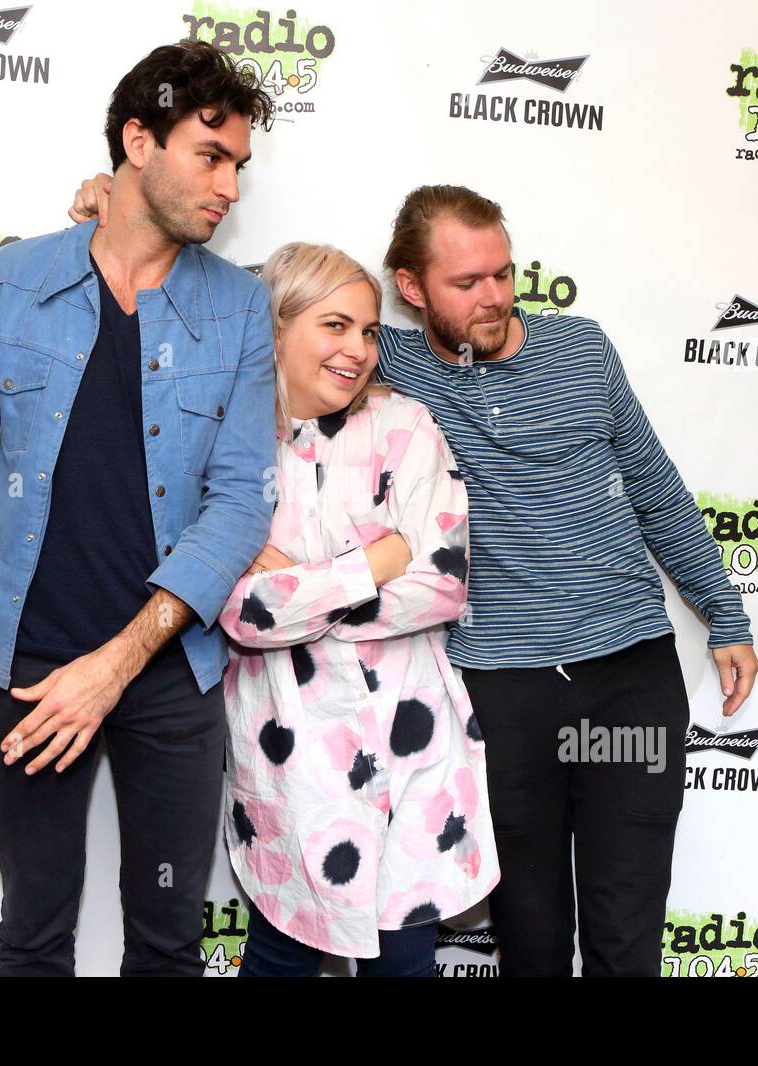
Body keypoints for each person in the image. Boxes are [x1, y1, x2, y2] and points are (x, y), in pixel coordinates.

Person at [68, 179, 758, 977]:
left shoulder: (582, 350)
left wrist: (725, 611)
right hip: (504, 687)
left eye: (503, 273)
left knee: (627, 927)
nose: (492, 298)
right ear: (412, 290)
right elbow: (273, 293)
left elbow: (653, 486)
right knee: (531, 938)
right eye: (465, 284)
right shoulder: (380, 360)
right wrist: (126, 218)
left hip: (630, 670)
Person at [0, 41, 277, 977]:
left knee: (166, 940)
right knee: (31, 935)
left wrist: (114, 665)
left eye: (240, 166)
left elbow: (236, 507)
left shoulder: (237, 309)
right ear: (137, 141)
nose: (229, 186)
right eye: (210, 155)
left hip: (166, 665)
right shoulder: (16, 282)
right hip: (26, 659)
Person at [216, 241, 499, 977]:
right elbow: (243, 614)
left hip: (410, 749)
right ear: (277, 326)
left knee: (404, 962)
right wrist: (375, 563)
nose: (359, 350)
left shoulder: (405, 426)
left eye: (370, 332)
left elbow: (441, 583)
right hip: (290, 752)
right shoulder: (228, 443)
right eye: (335, 326)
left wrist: (301, 585)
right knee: (281, 952)